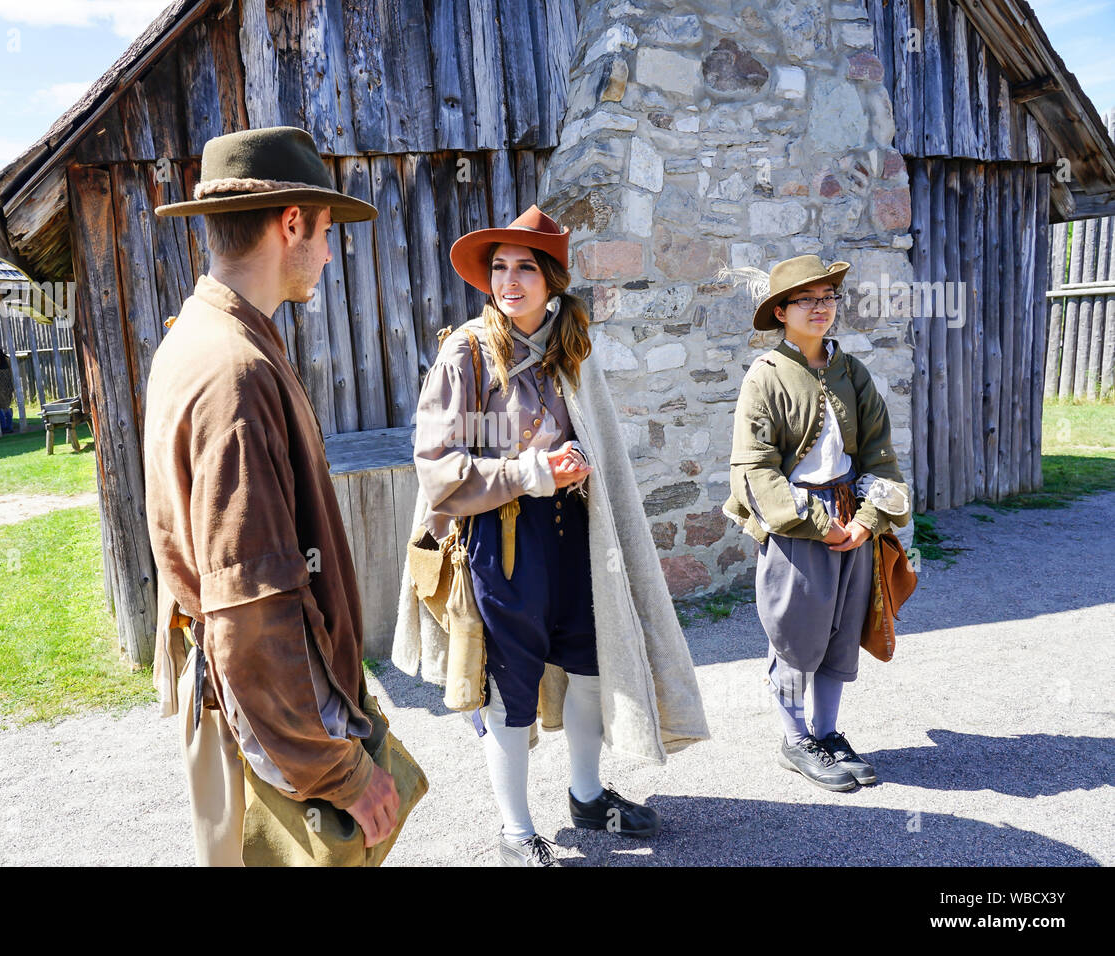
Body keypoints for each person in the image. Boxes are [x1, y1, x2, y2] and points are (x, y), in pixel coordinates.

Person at [394, 206, 709, 866]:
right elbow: (438, 469)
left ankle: (588, 797)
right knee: (511, 685)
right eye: (500, 268)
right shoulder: (468, 355)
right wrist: (533, 470)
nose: (510, 281)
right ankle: (515, 831)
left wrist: (574, 473)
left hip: (575, 537)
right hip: (502, 541)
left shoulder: (572, 349)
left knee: (592, 666)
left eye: (526, 268)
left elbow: (600, 447)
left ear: (553, 279)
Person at [143, 126, 401, 866]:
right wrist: (338, 772)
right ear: (291, 222)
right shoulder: (234, 371)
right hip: (268, 714)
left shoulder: (199, 336)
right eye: (324, 233)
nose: (328, 253)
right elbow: (249, 611)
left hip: (247, 703)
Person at [723, 255, 911, 792]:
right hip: (797, 528)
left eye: (828, 297)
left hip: (852, 520)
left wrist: (867, 520)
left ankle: (827, 734)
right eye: (807, 299)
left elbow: (880, 456)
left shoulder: (852, 372)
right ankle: (795, 737)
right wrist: (815, 523)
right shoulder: (765, 377)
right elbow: (754, 467)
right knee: (795, 634)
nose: (821, 308)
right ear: (781, 311)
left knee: (842, 632)